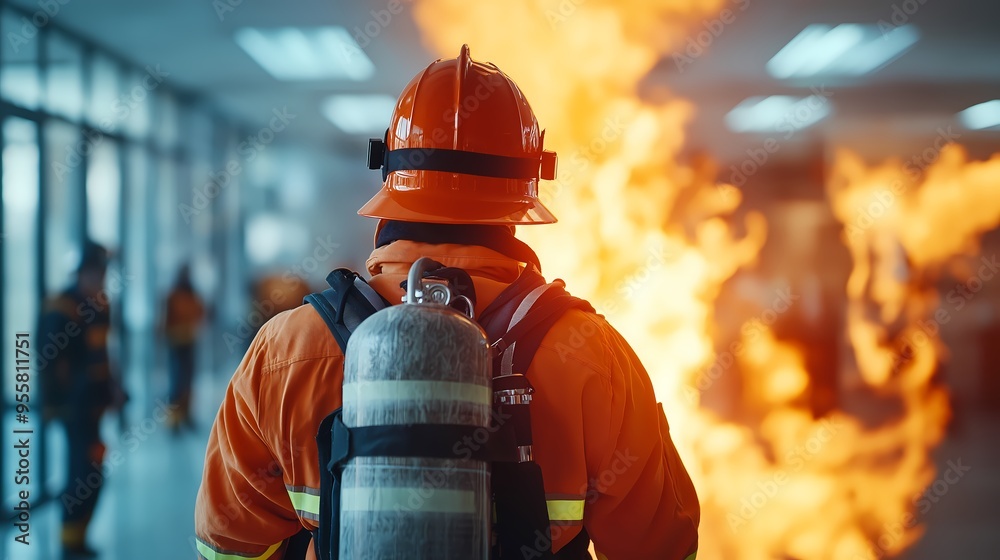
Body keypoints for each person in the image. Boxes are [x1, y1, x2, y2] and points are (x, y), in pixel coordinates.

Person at [195, 46, 699, 560]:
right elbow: (660, 547)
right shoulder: (596, 358)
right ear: (526, 186)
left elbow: (230, 545)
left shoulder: (286, 350)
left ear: (389, 169)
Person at [39, 240, 117, 558]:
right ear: (83, 272)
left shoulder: (100, 306)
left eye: (102, 275)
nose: (98, 281)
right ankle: (69, 542)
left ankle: (77, 537)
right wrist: (65, 401)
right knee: (83, 473)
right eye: (94, 274)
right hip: (73, 409)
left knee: (93, 472)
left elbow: (102, 353)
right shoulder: (61, 307)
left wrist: (113, 387)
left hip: (94, 406)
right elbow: (48, 360)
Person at [163, 264, 205, 431]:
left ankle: (186, 414)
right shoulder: (173, 295)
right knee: (176, 381)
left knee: (188, 380)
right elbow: (166, 318)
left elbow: (200, 313)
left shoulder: (192, 294)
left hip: (189, 341)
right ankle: (174, 419)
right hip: (175, 343)